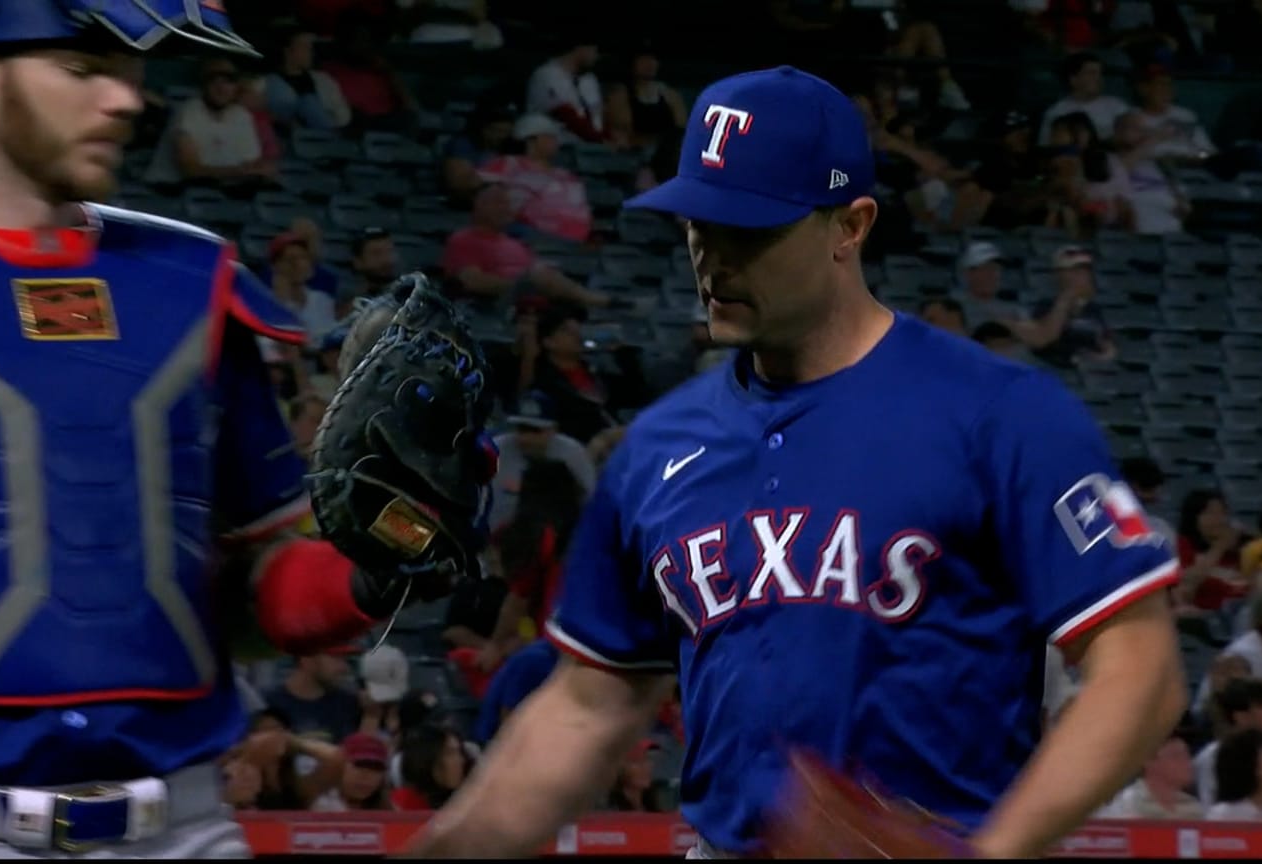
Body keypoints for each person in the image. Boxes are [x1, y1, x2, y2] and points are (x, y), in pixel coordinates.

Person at [405, 66, 1186, 859]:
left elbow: (1142, 668)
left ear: (850, 226)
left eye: (748, 232)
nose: (713, 259)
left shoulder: (1000, 413)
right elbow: (587, 705)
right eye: (697, 225)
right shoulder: (656, 447)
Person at [0, 1, 448, 858]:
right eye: (83, 67)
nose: (126, 99)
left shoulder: (196, 284)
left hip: (190, 828)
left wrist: (390, 553)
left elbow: (265, 589)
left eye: (132, 72)